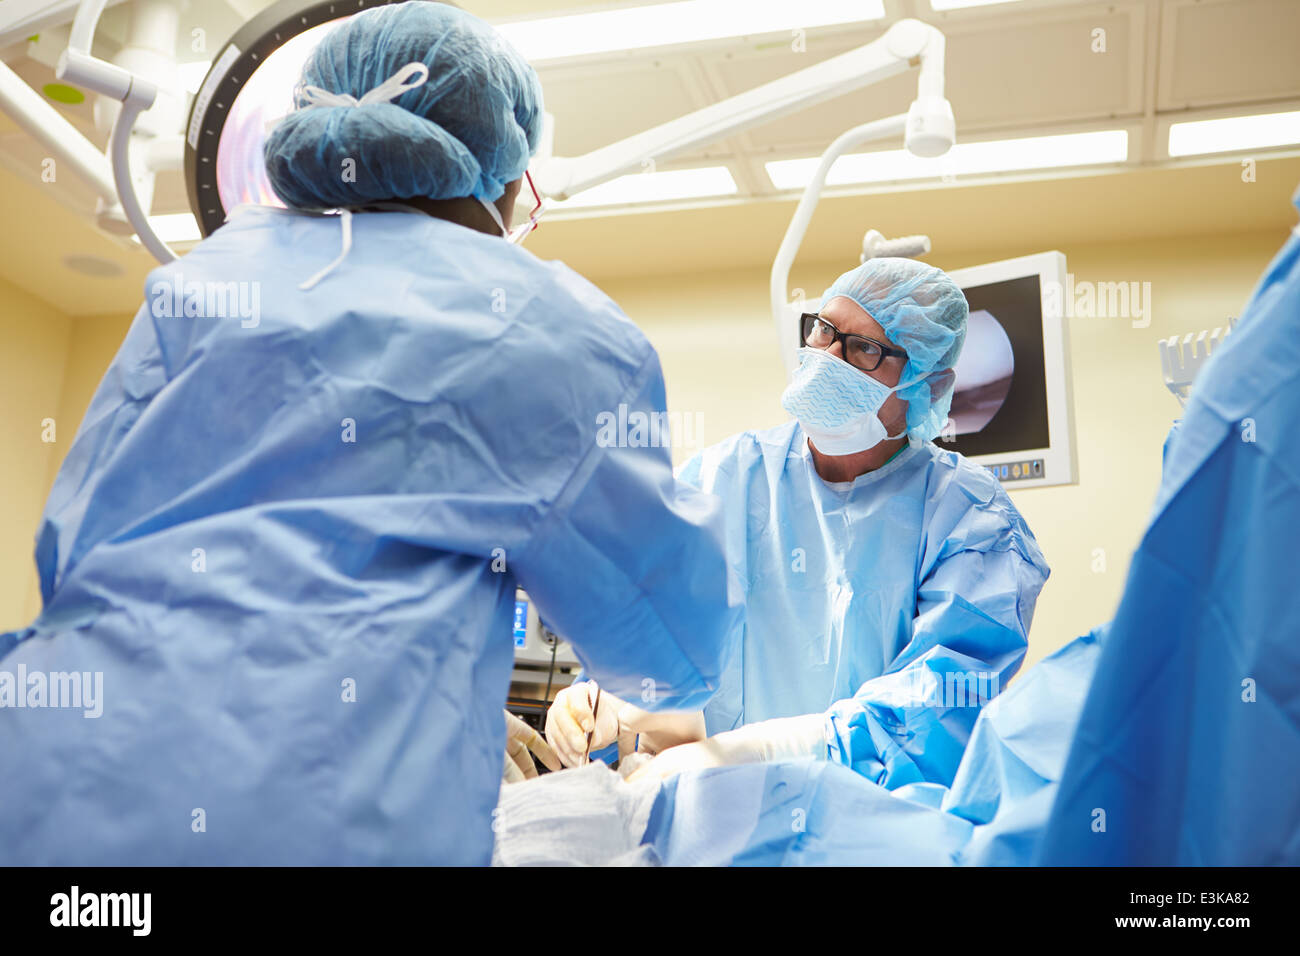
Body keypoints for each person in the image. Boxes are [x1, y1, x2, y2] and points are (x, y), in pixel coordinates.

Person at [0, 2, 738, 865]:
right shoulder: (549, 326)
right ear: (502, 169)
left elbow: (78, 557)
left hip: (45, 777)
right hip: (312, 817)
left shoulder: (199, 282)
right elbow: (673, 654)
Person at [549, 257, 1049, 791]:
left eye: (864, 348)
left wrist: (763, 753)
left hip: (862, 829)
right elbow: (645, 625)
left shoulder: (971, 522)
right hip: (705, 819)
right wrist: (606, 699)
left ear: (925, 384)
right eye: (824, 331)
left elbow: (935, 714)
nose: (828, 357)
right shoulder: (720, 479)